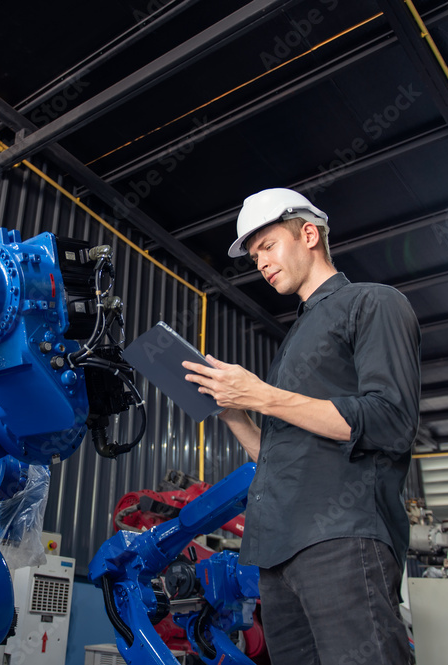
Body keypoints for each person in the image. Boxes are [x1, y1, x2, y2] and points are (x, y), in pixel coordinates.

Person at [183, 188, 420, 665]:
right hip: (276, 556)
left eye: (267, 246)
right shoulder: (294, 340)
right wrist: (234, 413)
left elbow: (390, 419)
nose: (261, 264)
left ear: (308, 233)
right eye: (254, 257)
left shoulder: (372, 303)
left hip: (341, 537)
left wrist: (262, 395)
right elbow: (275, 457)